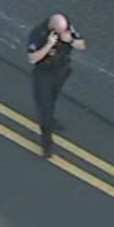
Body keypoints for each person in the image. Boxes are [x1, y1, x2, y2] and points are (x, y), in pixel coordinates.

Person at [27, 13, 87, 158]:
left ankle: (51, 120)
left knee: (53, 99)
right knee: (44, 109)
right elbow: (32, 59)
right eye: (60, 31)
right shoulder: (38, 34)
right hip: (44, 74)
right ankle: (47, 143)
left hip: (61, 70)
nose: (62, 34)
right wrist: (49, 45)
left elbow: (82, 45)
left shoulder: (67, 29)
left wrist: (70, 40)